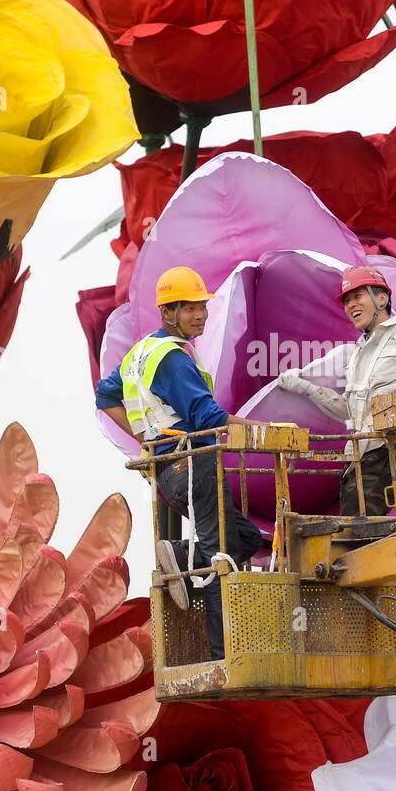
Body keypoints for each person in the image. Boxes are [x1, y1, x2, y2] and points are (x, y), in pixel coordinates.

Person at [95, 266, 262, 661]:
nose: (200, 315)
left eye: (202, 307)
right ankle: (226, 655)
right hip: (196, 465)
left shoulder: (141, 353)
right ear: (168, 312)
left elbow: (106, 396)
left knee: (247, 540)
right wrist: (263, 429)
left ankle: (181, 551)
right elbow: (209, 418)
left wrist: (147, 440)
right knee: (221, 555)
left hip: (170, 472)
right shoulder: (172, 359)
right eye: (190, 308)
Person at [278, 266, 396, 516]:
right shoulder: (359, 352)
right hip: (358, 457)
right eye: (347, 300)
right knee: (357, 538)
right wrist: (306, 387)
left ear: (382, 299)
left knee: (356, 538)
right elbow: (349, 412)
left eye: (358, 296)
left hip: (388, 455)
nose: (351, 304)